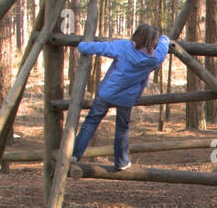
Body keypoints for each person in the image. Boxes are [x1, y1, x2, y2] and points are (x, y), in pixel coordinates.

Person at [73, 24, 170, 172]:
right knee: (122, 129)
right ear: (152, 42)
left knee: (91, 122)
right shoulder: (154, 59)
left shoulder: (124, 47)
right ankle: (121, 162)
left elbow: (101, 48)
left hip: (107, 92)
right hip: (127, 99)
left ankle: (75, 154)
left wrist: (82, 46)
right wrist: (165, 38)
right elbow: (163, 47)